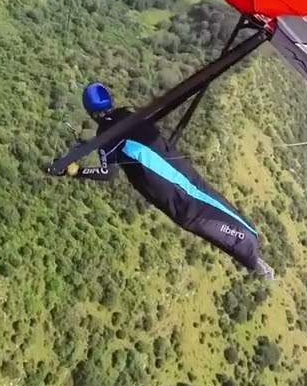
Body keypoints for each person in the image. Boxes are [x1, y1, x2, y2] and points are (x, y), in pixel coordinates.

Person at [65, 82, 275, 280]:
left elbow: (108, 172)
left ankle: (252, 253)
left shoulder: (106, 133)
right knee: (205, 209)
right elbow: (120, 145)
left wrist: (78, 171)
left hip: (176, 190)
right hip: (178, 178)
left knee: (202, 213)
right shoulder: (128, 115)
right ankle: (251, 254)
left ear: (90, 111)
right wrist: (90, 145)